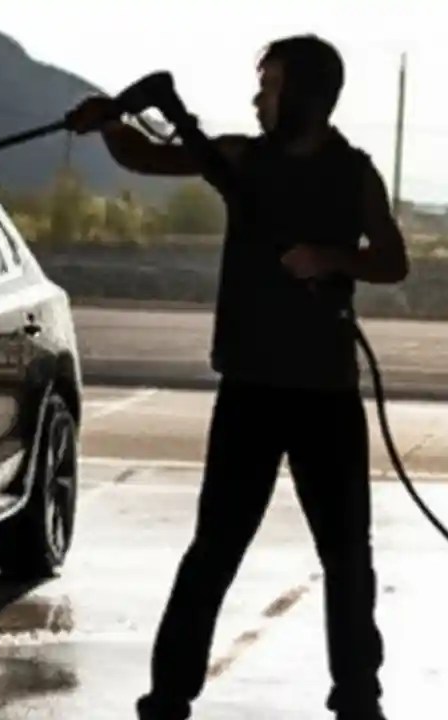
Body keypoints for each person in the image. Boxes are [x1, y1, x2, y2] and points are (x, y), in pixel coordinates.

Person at [66, 35, 409, 720]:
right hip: (250, 390)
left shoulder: (355, 174)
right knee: (214, 550)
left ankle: (357, 696)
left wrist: (329, 257)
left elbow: (393, 260)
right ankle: (168, 696)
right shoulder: (244, 159)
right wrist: (109, 121)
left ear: (308, 95)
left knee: (347, 558)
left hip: (328, 396)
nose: (259, 98)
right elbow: (149, 155)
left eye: (272, 85)